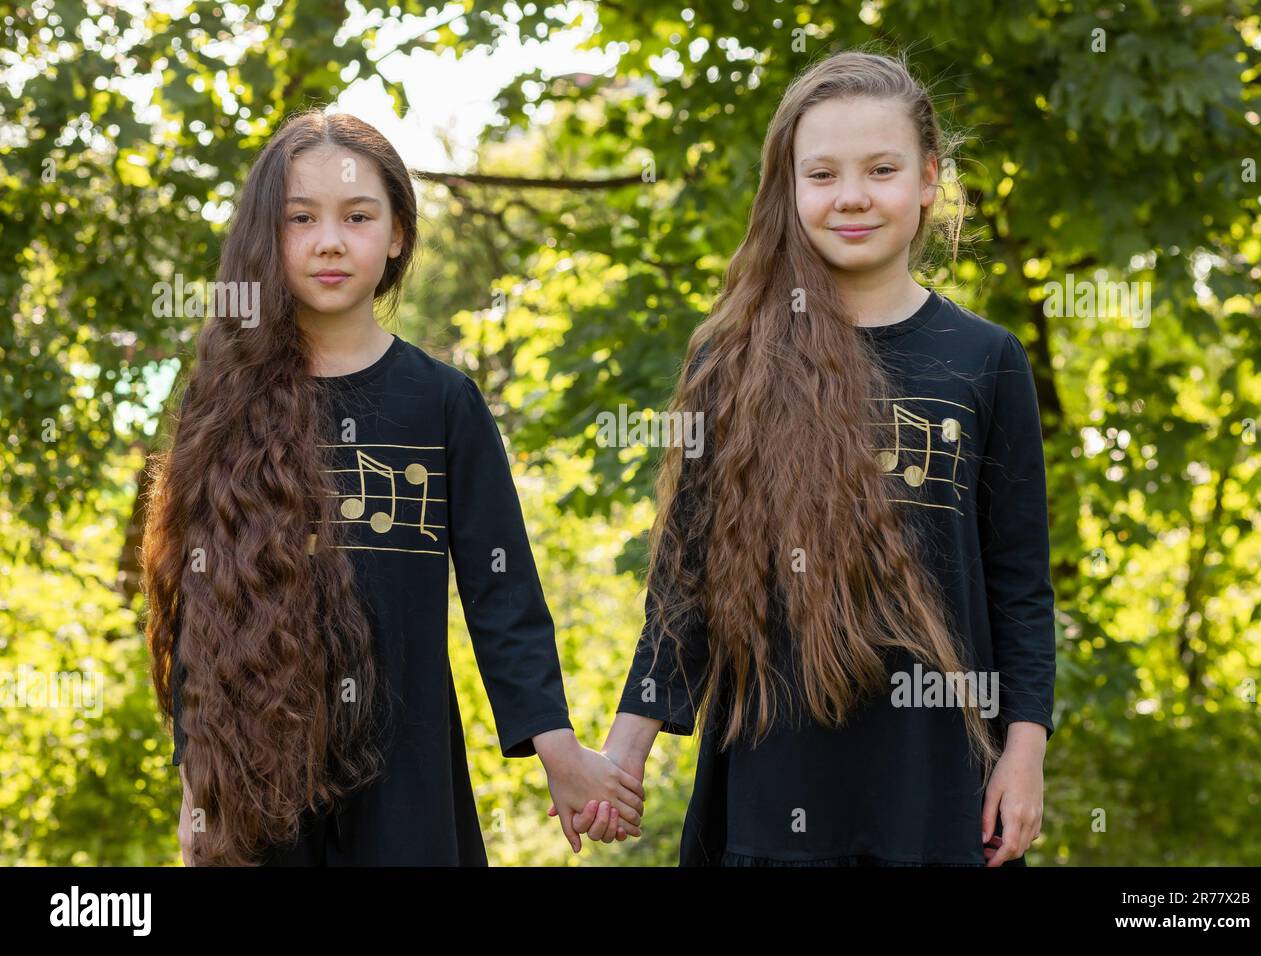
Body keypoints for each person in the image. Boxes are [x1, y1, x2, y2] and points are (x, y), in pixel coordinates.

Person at [557, 50, 1056, 866]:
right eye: (822, 174)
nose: (852, 196)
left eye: (882, 170)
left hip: (938, 785)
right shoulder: (734, 359)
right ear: (789, 189)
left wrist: (1025, 753)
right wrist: (624, 753)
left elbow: (1020, 584)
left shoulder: (986, 359)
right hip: (770, 778)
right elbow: (685, 580)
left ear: (928, 179)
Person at [143, 109, 643, 866]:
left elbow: (503, 595)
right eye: (301, 218)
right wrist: (196, 784)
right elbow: (197, 612)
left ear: (398, 233)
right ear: (267, 236)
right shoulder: (226, 403)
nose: (330, 241)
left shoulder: (442, 402)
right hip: (258, 781)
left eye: (358, 216)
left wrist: (559, 749)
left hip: (409, 785)